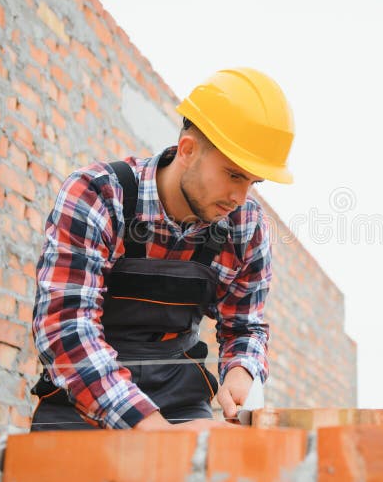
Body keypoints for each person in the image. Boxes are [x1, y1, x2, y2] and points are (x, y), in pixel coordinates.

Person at [29, 67, 294, 431]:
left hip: (180, 403)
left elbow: (245, 327)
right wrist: (155, 431)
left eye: (253, 181)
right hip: (79, 403)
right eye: (233, 174)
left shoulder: (245, 228)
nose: (239, 197)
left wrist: (241, 371)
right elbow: (65, 327)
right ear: (187, 150)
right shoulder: (98, 196)